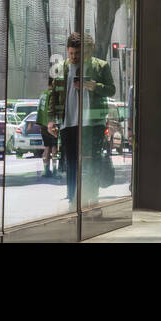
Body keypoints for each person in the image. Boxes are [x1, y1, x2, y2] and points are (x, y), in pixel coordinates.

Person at [47, 32, 115, 204]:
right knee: (71, 162)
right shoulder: (61, 68)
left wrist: (94, 86)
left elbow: (111, 90)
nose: (74, 57)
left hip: (93, 122)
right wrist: (51, 120)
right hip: (68, 122)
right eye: (71, 53)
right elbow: (53, 95)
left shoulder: (100, 66)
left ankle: (91, 198)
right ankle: (72, 198)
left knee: (91, 161)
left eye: (77, 53)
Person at [37, 81, 59, 179]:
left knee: (46, 146)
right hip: (51, 123)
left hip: (42, 124)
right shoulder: (52, 94)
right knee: (54, 147)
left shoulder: (43, 94)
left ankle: (46, 170)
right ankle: (54, 169)